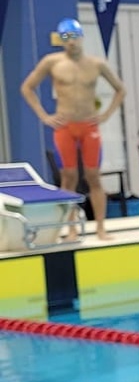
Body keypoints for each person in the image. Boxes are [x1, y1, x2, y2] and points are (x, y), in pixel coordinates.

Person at [19, 18, 125, 239]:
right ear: (61, 40)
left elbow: (120, 90)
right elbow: (27, 88)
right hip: (65, 125)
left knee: (93, 176)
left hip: (89, 125)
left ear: (81, 37)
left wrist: (105, 115)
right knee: (69, 177)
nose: (71, 42)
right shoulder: (51, 62)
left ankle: (101, 227)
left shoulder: (97, 64)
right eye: (66, 38)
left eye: (74, 37)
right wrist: (44, 116)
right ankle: (73, 228)